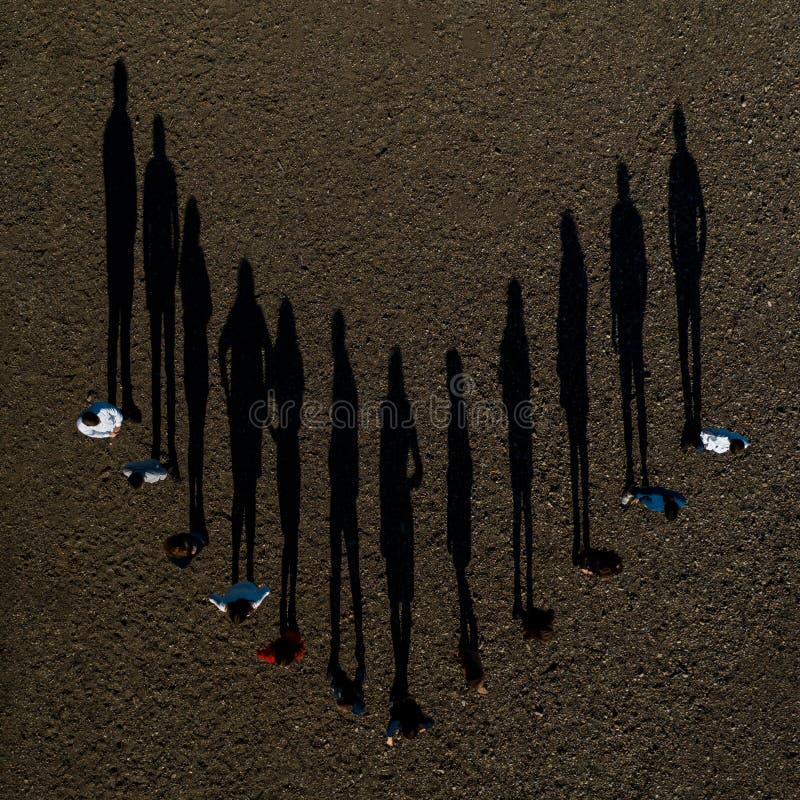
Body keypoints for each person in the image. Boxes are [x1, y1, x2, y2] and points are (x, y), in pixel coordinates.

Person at [622, 487, 687, 520]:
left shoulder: (682, 501)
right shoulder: (657, 496)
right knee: (640, 492)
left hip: (651, 500)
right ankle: (631, 492)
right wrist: (637, 497)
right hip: (647, 496)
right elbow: (641, 493)